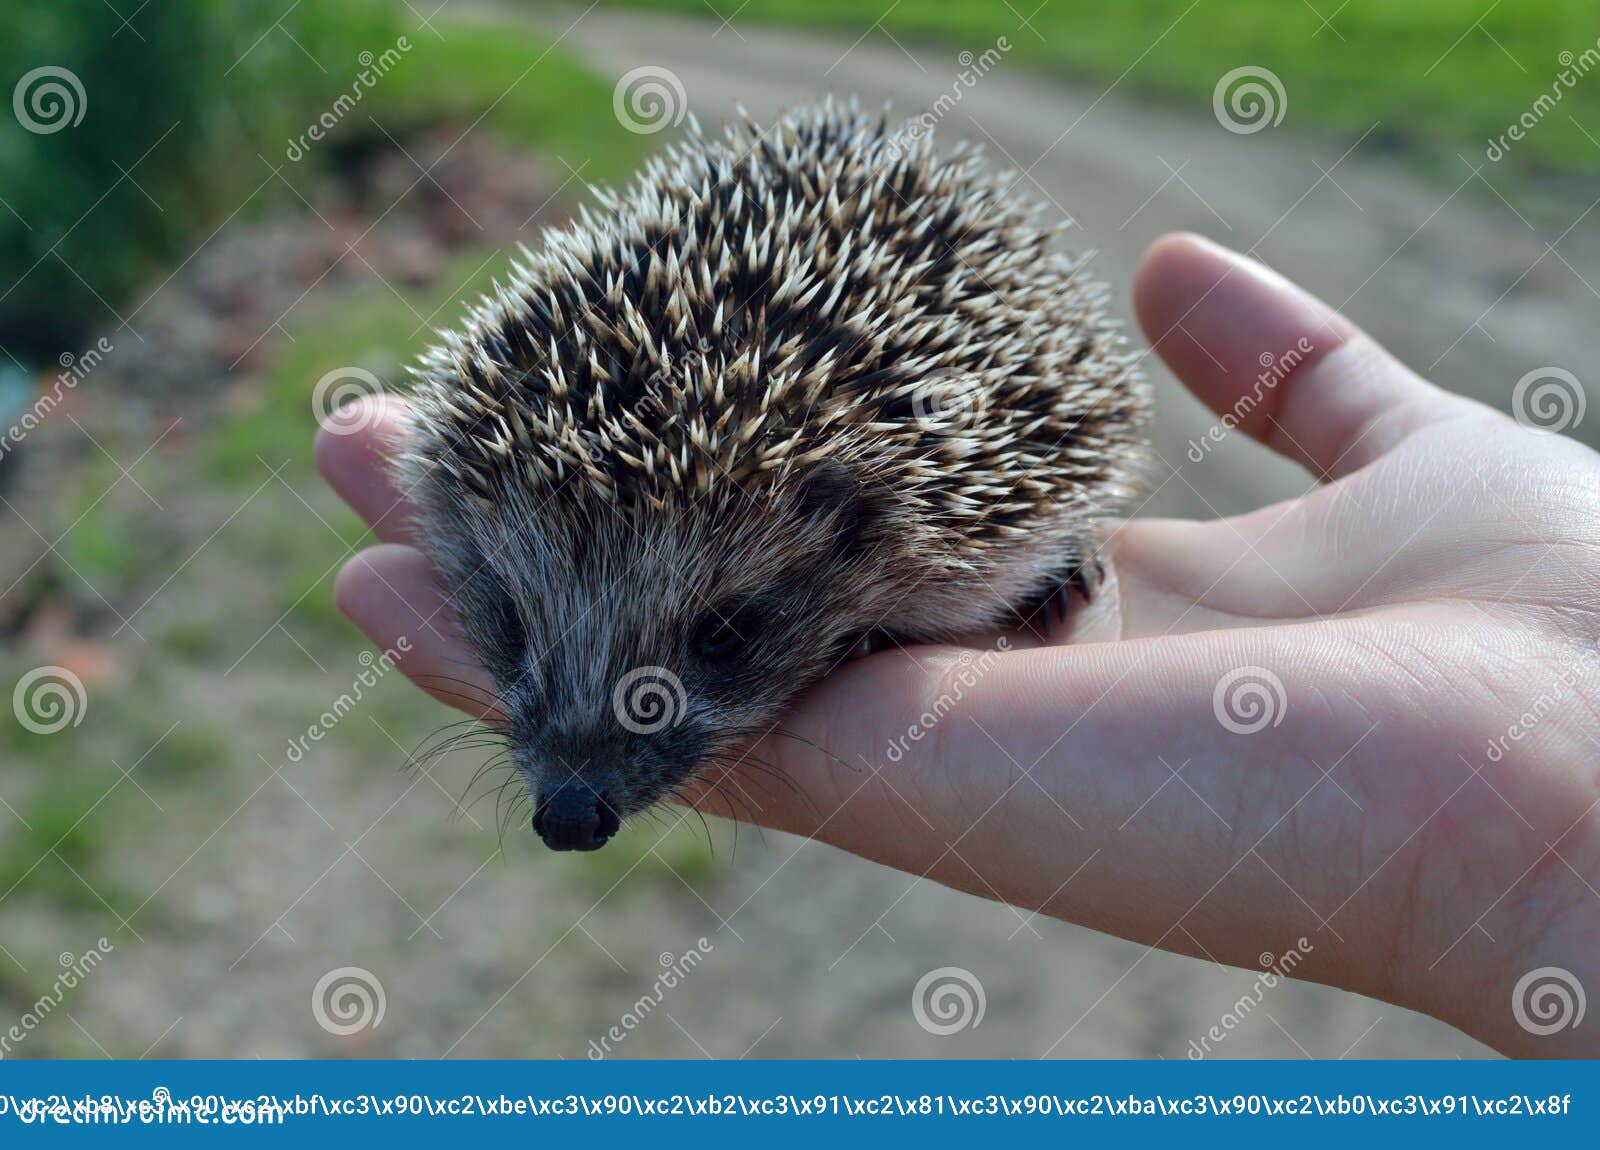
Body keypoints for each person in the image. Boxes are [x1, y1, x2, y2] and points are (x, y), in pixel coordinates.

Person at [316, 233, 1600, 1058]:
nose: (574, 776)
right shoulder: (490, 499)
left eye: (717, 636)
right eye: (527, 638)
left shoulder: (936, 521)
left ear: (858, 532)